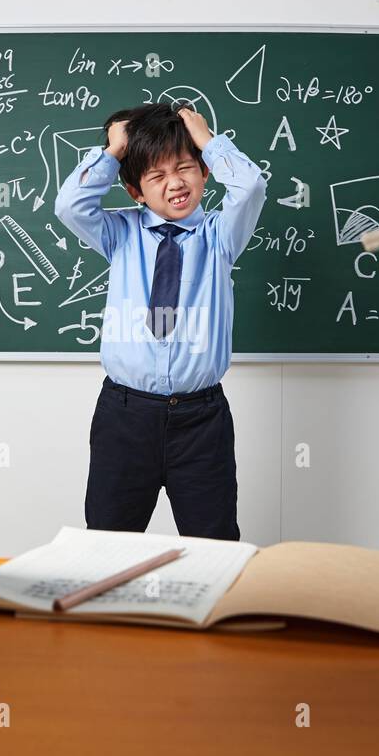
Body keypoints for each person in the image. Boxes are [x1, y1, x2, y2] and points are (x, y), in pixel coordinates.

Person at [54, 102, 267, 540]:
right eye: (157, 176)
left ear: (205, 173)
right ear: (135, 191)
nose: (175, 184)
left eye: (185, 168)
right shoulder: (119, 233)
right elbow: (69, 205)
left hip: (201, 420)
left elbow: (250, 188)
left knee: (214, 544)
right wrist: (113, 151)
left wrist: (207, 140)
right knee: (107, 541)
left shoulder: (220, 237)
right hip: (125, 416)